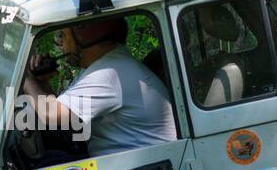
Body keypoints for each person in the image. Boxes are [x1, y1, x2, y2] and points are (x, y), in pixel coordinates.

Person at [22, 16, 177, 158]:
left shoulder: (108, 74)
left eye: (62, 35)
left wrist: (25, 78)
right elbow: (66, 117)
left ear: (84, 38)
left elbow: (51, 115)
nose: (60, 43)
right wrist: (41, 83)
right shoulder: (105, 65)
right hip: (128, 164)